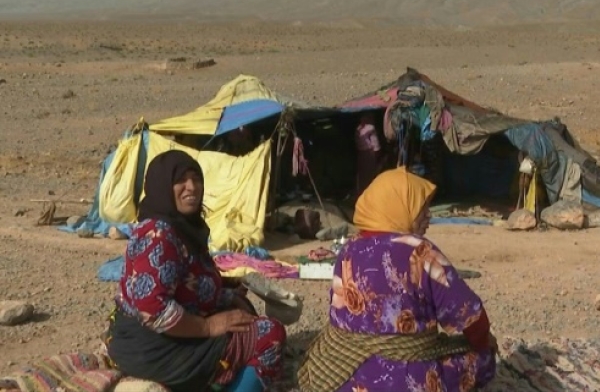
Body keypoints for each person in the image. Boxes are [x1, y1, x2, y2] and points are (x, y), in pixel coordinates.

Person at [299, 167, 497, 392]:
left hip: (345, 374)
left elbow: (337, 310)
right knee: (483, 357)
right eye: (421, 209)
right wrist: (483, 344)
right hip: (406, 382)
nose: (429, 216)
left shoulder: (348, 249)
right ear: (398, 209)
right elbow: (471, 316)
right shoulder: (421, 252)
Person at [105, 150, 286, 392]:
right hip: (153, 346)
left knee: (241, 310)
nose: (191, 187)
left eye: (196, 178)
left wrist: (228, 292)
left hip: (150, 338)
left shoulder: (182, 228)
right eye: (180, 180)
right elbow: (153, 309)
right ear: (162, 186)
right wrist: (209, 326)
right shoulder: (159, 235)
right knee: (270, 335)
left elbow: (185, 283)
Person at [355, 113, 383, 196]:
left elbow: (374, 141)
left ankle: (364, 192)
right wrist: (377, 151)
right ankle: (368, 192)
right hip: (367, 153)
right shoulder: (369, 128)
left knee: (365, 174)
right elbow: (375, 143)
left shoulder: (360, 128)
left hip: (364, 153)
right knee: (368, 173)